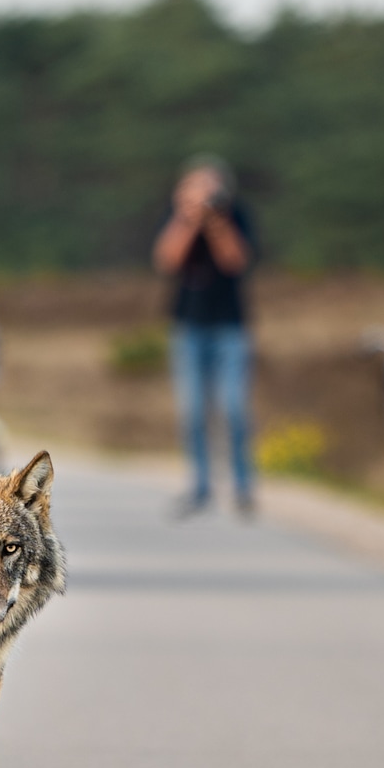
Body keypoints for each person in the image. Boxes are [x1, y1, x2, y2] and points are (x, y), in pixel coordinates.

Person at [152, 155, 256, 517]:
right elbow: (167, 260)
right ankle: (200, 485)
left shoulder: (234, 215)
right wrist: (188, 219)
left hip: (231, 327)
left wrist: (216, 223)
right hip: (188, 327)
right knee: (193, 410)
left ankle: (243, 486)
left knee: (234, 408)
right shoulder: (179, 216)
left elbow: (236, 261)